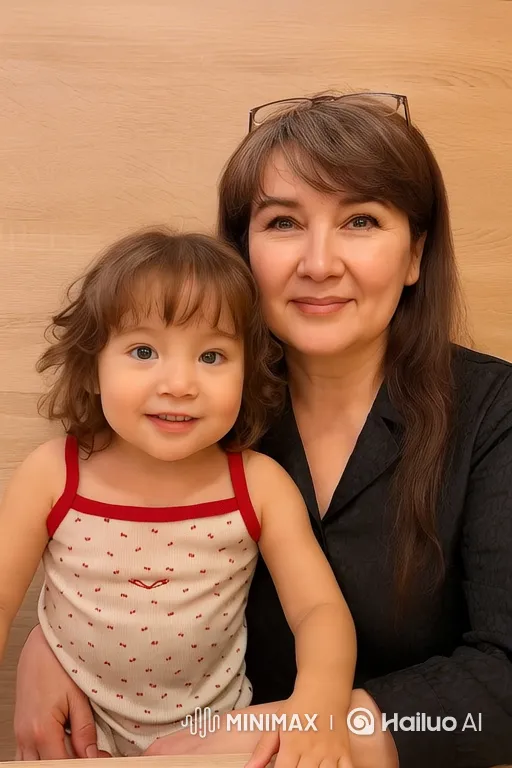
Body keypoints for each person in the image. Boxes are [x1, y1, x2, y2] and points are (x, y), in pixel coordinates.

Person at [13, 92, 512, 768]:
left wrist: (315, 728)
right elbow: (114, 541)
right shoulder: (193, 406)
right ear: (241, 250)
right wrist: (52, 645)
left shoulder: (494, 410)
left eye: (360, 221)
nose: (318, 262)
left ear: (416, 254)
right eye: (282, 223)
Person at [1, 230, 358, 766]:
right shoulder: (53, 475)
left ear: (249, 370)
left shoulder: (258, 485)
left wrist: (317, 710)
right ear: (93, 365)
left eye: (212, 356)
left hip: (216, 746)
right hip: (75, 745)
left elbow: (320, 610)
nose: (180, 383)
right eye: (143, 351)